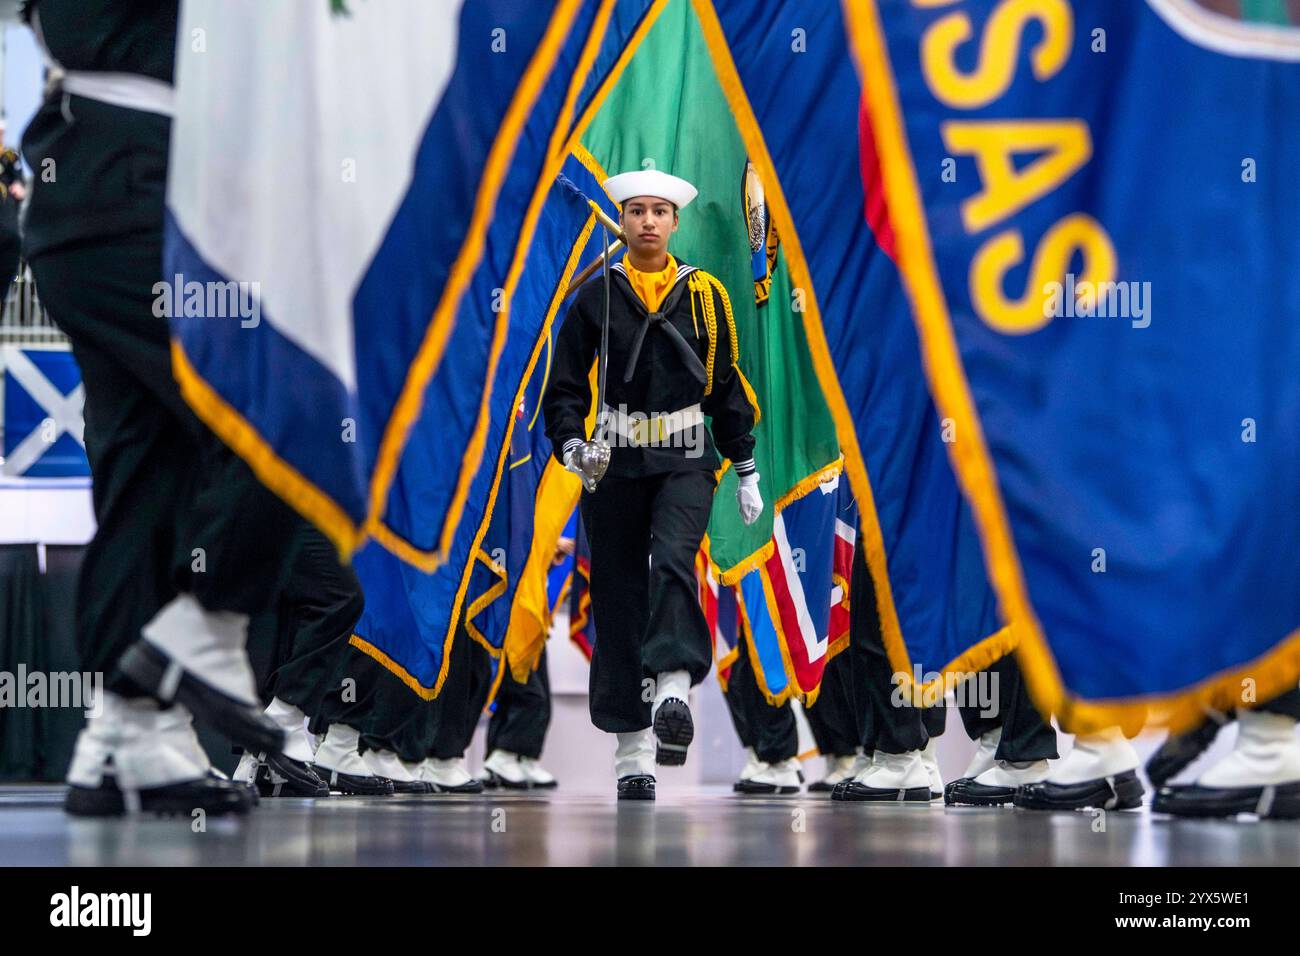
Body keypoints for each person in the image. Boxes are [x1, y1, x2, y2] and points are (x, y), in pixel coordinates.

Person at [22, 0, 296, 817]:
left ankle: (121, 743)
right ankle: (199, 641)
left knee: (147, 468)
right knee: (289, 413)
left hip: (102, 181)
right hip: (140, 179)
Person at [542, 169, 761, 800]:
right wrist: (571, 446)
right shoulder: (595, 296)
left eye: (657, 212)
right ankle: (631, 749)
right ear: (623, 220)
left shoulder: (708, 295)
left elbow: (724, 385)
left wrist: (743, 465)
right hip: (611, 461)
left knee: (672, 559)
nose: (646, 221)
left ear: (673, 222)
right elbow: (564, 387)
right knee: (615, 593)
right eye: (635, 211)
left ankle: (672, 688)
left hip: (687, 456)